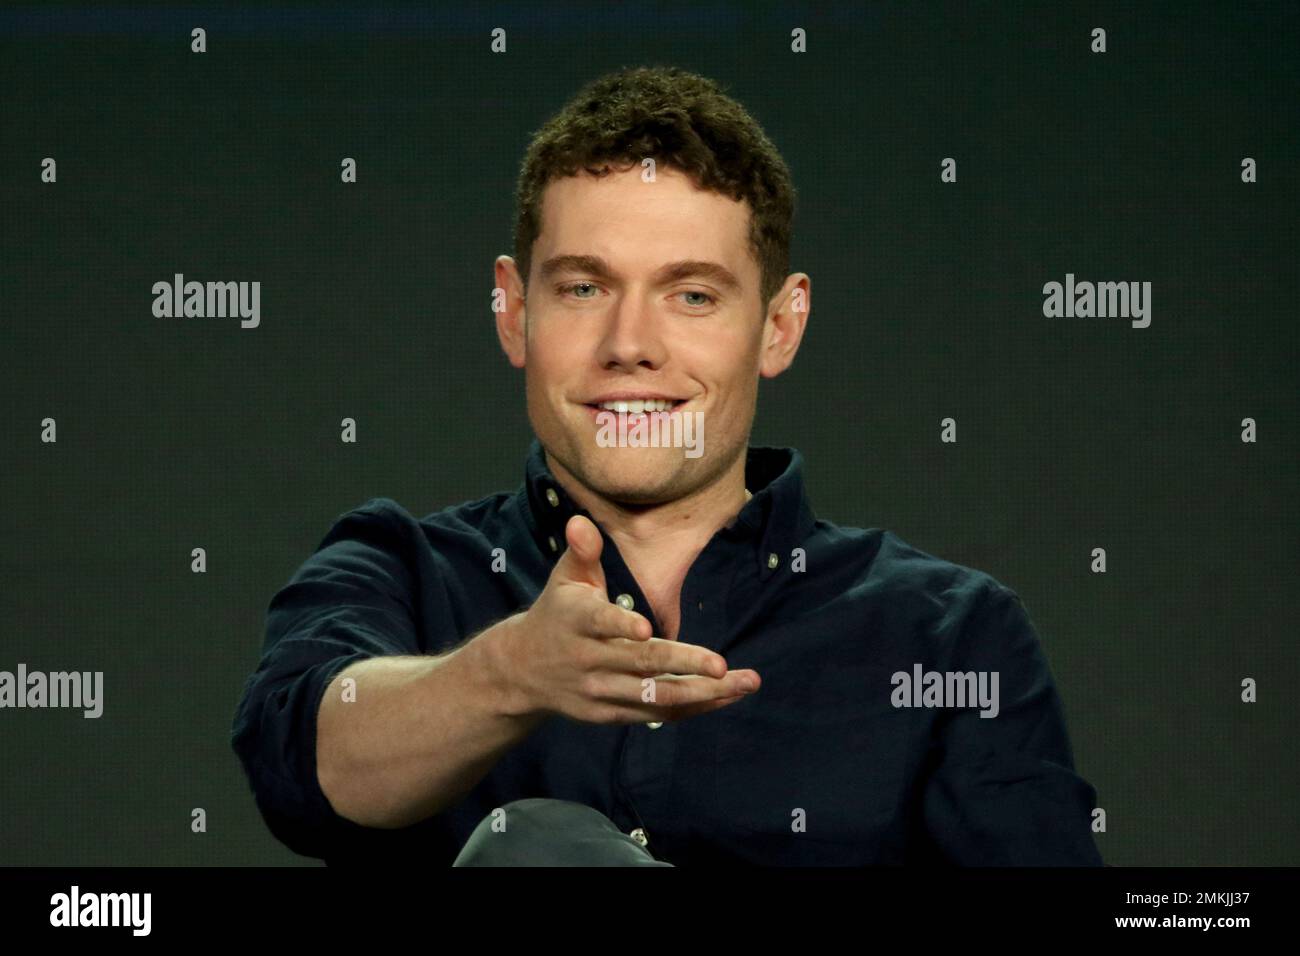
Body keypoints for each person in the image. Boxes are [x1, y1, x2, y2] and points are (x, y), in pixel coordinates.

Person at [231, 65, 1104, 866]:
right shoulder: (397, 571)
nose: (630, 346)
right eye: (582, 288)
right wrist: (509, 675)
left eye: (691, 295)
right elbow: (305, 762)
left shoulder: (948, 635)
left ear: (779, 326)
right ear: (512, 311)